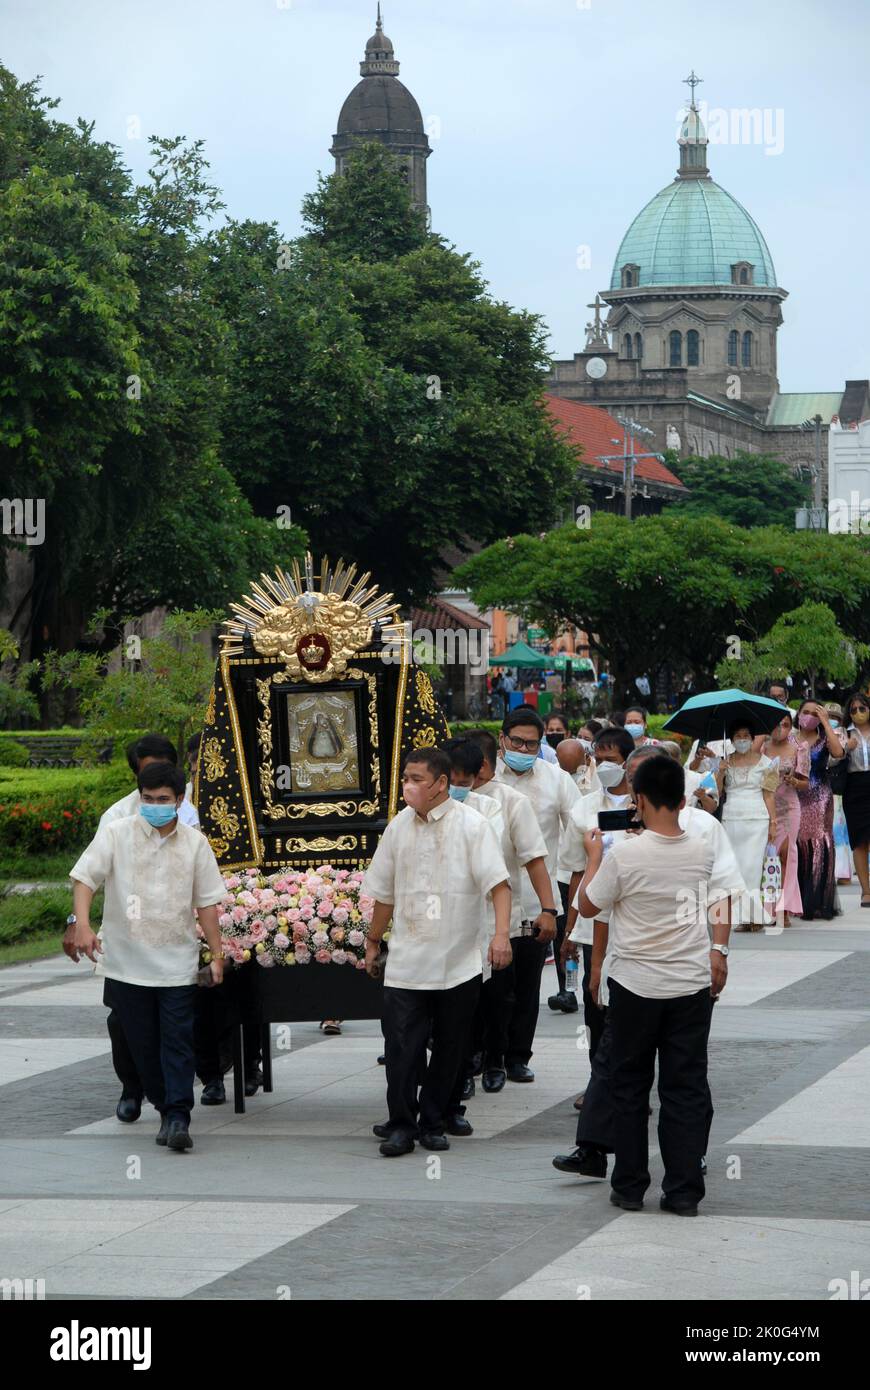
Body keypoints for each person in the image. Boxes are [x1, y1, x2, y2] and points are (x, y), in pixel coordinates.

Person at [555, 746, 743, 1186]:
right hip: (689, 984)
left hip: (636, 985)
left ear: (636, 800)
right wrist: (717, 952)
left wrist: (597, 857)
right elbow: (720, 895)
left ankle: (630, 1182)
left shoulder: (624, 854)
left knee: (630, 1084)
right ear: (683, 800)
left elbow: (587, 904)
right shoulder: (700, 851)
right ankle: (683, 1187)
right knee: (685, 1085)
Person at [64, 761, 227, 1152]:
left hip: (176, 963)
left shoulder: (195, 843)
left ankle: (177, 1116)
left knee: (178, 1041)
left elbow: (206, 903)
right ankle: (162, 1103)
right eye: (148, 799)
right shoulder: (117, 834)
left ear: (180, 801)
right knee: (141, 1044)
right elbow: (85, 877)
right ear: (140, 799)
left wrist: (217, 954)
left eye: (163, 800)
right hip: (125, 962)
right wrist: (82, 925)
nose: (155, 805)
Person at [362, 747, 511, 1157]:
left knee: (451, 1045)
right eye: (405, 779)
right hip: (408, 958)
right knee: (401, 1046)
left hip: (458, 957)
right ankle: (401, 1124)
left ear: (441, 783)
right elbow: (384, 892)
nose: (408, 787)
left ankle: (434, 1121)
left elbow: (499, 885)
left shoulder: (473, 826)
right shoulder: (398, 827)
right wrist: (374, 939)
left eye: (416, 780)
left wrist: (501, 936)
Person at [95, 734, 199, 1122]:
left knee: (176, 1027)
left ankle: (177, 1104)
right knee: (125, 1022)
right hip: (128, 944)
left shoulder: (192, 817)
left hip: (176, 940)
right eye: (146, 779)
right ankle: (132, 1086)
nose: (155, 795)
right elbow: (90, 875)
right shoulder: (116, 819)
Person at [444, 736, 553, 1098]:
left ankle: (496, 1061)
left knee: (499, 996)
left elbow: (533, 859)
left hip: (498, 916)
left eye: (463, 779)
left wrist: (548, 909)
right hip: (454, 918)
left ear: (481, 772)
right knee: (460, 998)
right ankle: (464, 1062)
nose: (456, 787)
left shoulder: (506, 805)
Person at [494, 709, 580, 1080]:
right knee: (492, 984)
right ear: (503, 740)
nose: (524, 749)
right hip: (488, 899)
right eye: (517, 742)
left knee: (527, 980)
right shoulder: (485, 779)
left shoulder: (556, 780)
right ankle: (488, 1057)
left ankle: (517, 1057)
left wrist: (566, 882)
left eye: (532, 743)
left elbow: (578, 827)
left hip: (536, 902)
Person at [559, 727, 637, 1040]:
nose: (605, 765)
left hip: (635, 919)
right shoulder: (584, 808)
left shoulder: (645, 806)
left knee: (631, 1003)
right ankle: (599, 1078)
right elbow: (576, 872)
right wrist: (570, 930)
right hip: (593, 920)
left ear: (628, 761)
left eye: (612, 759)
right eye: (599, 758)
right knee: (595, 1002)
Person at [716, 720, 779, 929]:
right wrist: (720, 772)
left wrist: (773, 822)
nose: (742, 739)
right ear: (732, 740)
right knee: (734, 868)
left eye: (745, 736)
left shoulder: (767, 763)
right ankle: (741, 916)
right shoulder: (725, 762)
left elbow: (769, 795)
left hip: (756, 819)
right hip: (731, 818)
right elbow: (717, 793)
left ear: (753, 739)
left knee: (751, 869)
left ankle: (752, 917)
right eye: (737, 736)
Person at [794, 700, 845, 920]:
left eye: (814, 713)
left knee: (820, 842)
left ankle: (818, 901)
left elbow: (839, 752)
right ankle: (796, 899)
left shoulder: (825, 738)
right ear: (798, 715)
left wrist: (825, 722)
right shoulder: (789, 738)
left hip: (820, 796)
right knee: (797, 844)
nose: (809, 716)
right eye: (805, 712)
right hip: (793, 796)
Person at [762, 712, 809, 926]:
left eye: (786, 724)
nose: (781, 728)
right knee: (769, 857)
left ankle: (785, 908)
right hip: (766, 808)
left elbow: (805, 783)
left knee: (787, 855)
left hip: (790, 807)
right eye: (778, 724)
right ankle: (769, 907)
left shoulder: (800, 747)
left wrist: (793, 781)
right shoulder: (762, 747)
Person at [101, 734, 200, 830]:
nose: (158, 777)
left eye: (164, 770)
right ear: (136, 775)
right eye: (150, 772)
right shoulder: (115, 818)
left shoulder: (192, 816)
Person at [841, 692, 870, 904]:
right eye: (853, 710)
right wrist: (845, 748)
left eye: (862, 708)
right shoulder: (844, 733)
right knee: (859, 842)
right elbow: (832, 758)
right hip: (855, 788)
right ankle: (866, 891)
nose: (858, 713)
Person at [823, 703, 852, 884]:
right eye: (829, 717)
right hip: (820, 789)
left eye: (835, 717)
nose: (832, 720)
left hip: (837, 791)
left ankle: (842, 872)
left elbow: (836, 757)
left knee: (838, 832)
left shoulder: (843, 736)